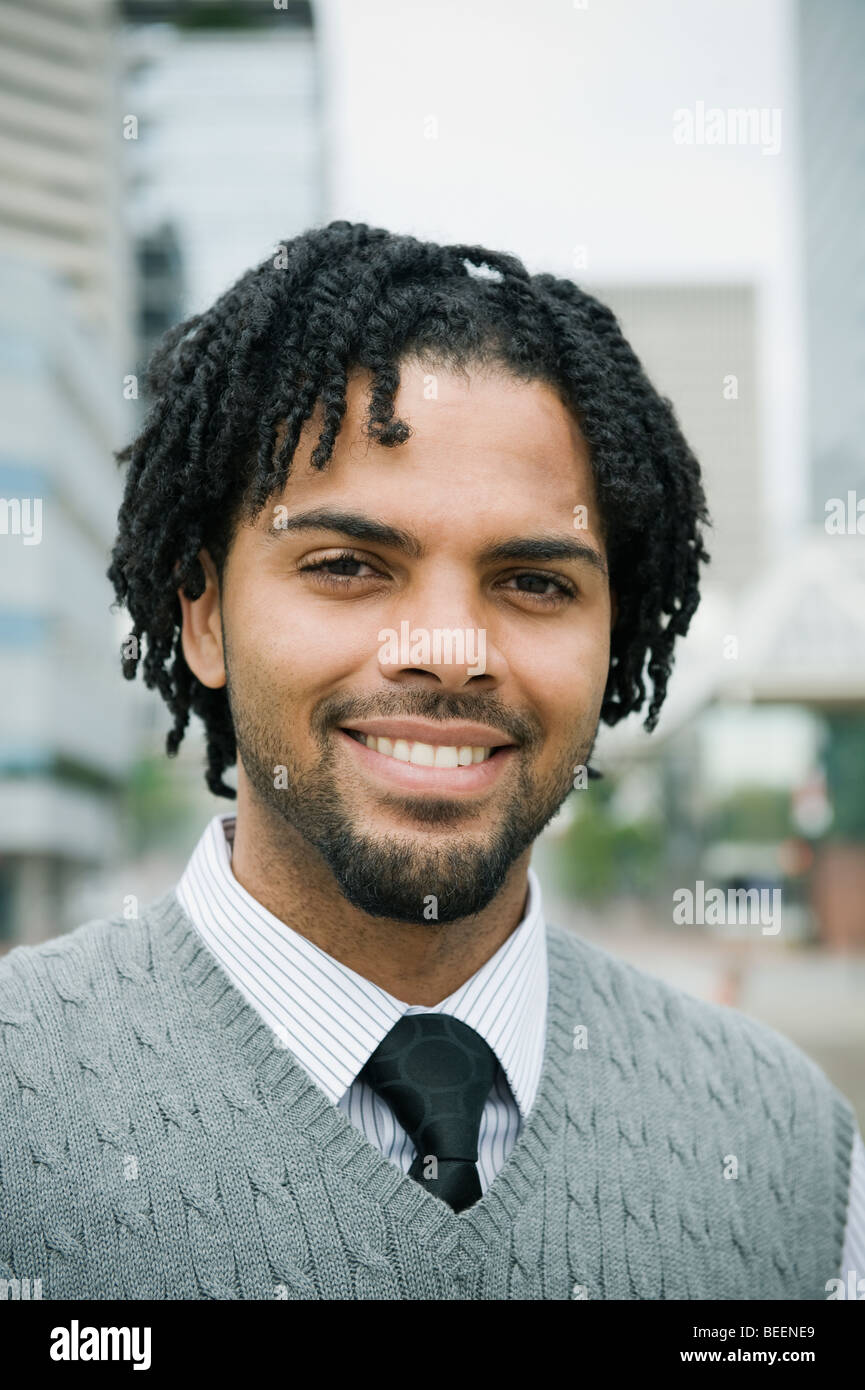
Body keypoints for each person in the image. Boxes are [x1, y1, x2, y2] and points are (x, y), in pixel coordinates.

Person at [1, 222, 862, 1300]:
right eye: (350, 564)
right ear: (205, 615)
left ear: (614, 640)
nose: (449, 654)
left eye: (535, 583)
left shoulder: (788, 1157)